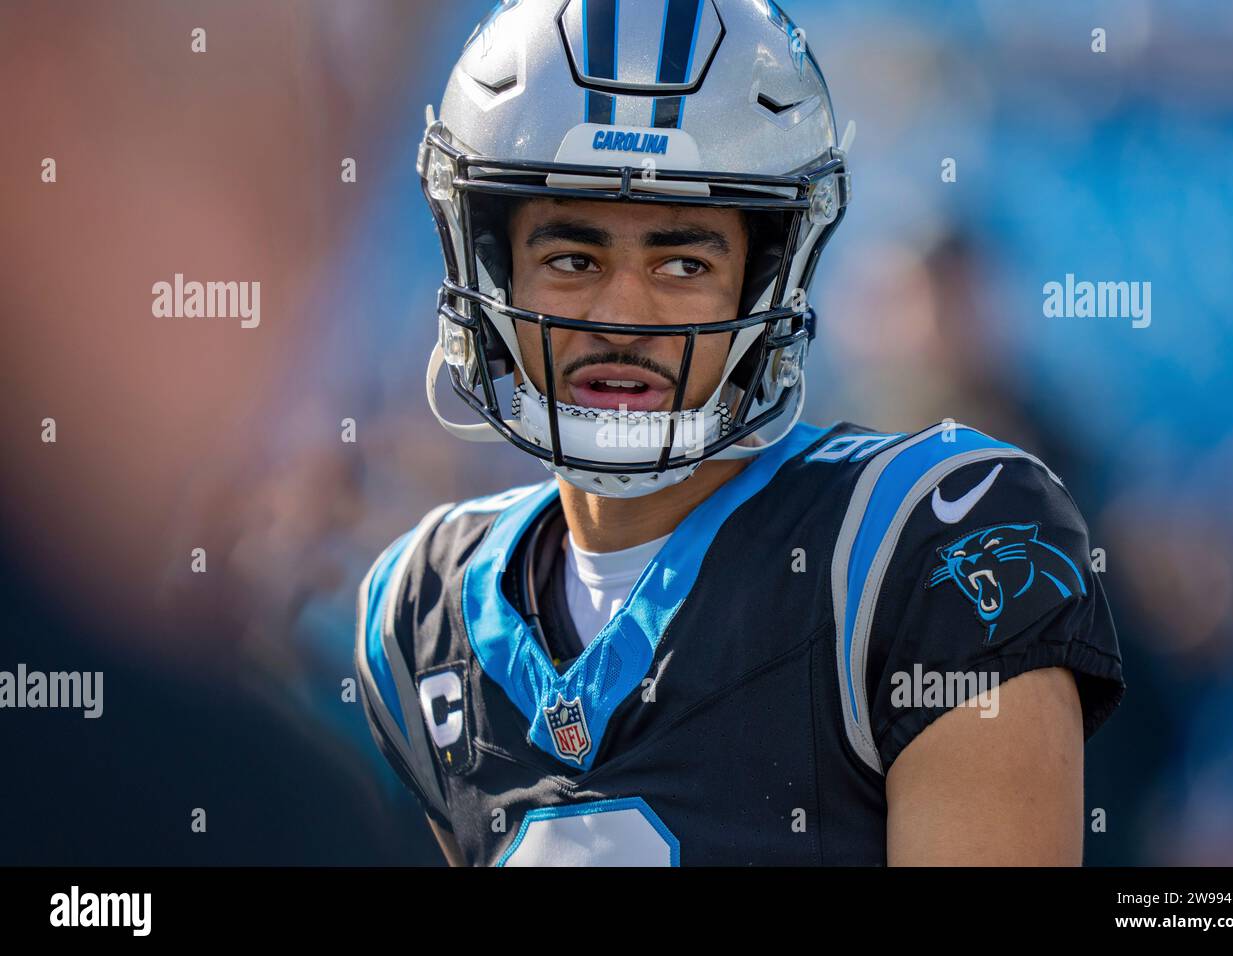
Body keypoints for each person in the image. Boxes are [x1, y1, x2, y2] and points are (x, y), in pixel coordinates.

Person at [355, 0, 1124, 866]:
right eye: (572, 259)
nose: (622, 318)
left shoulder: (923, 544)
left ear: (765, 285)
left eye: (684, 264)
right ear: (490, 270)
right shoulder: (422, 610)